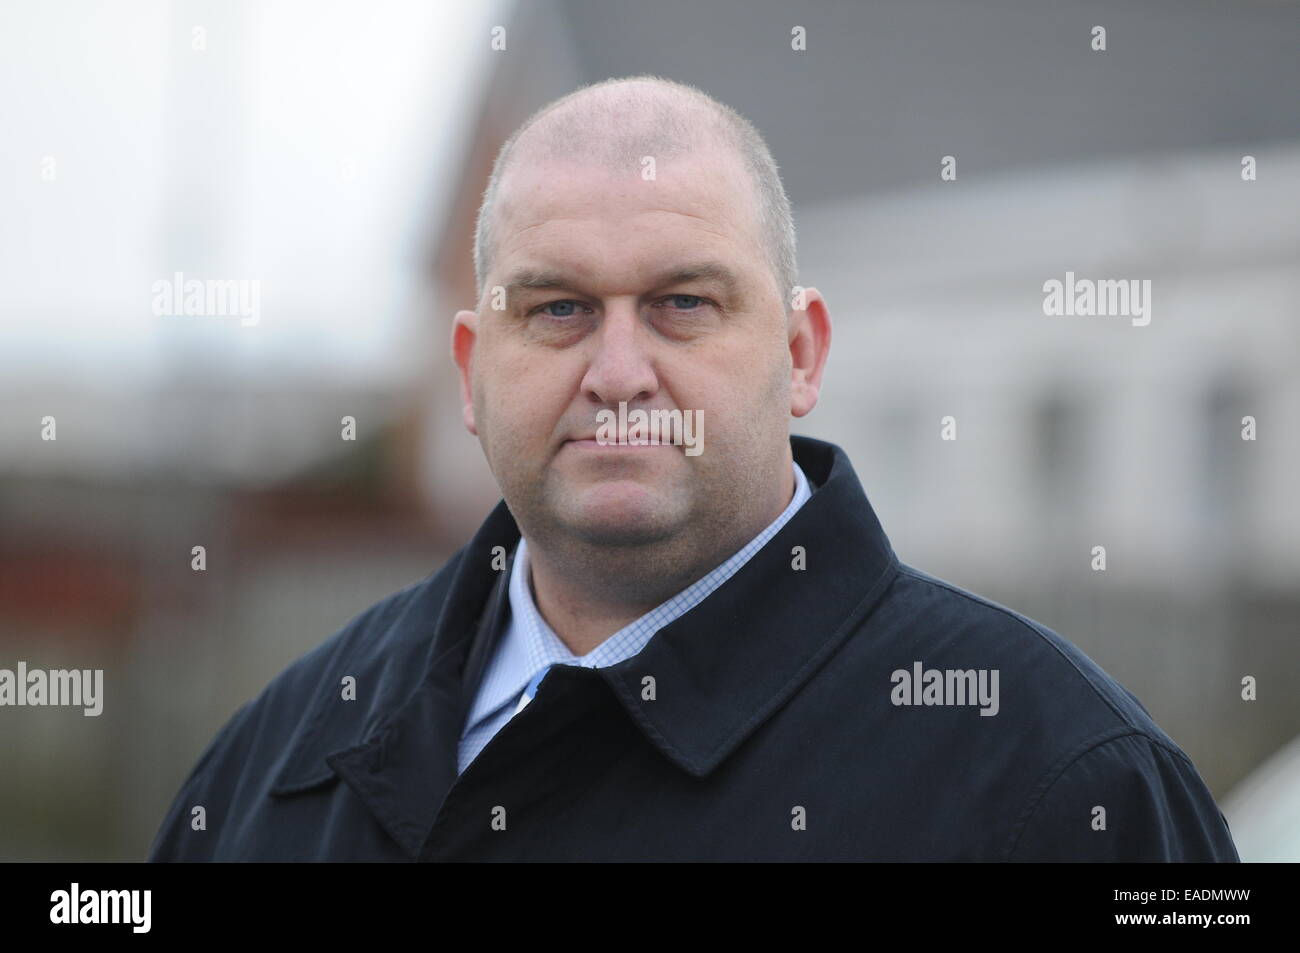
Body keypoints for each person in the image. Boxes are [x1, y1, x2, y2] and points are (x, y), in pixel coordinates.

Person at [148, 74, 1239, 862]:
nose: (618, 372)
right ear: (472, 375)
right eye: (558, 308)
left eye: (682, 303)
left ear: (800, 354)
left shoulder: (1064, 783)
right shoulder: (283, 754)